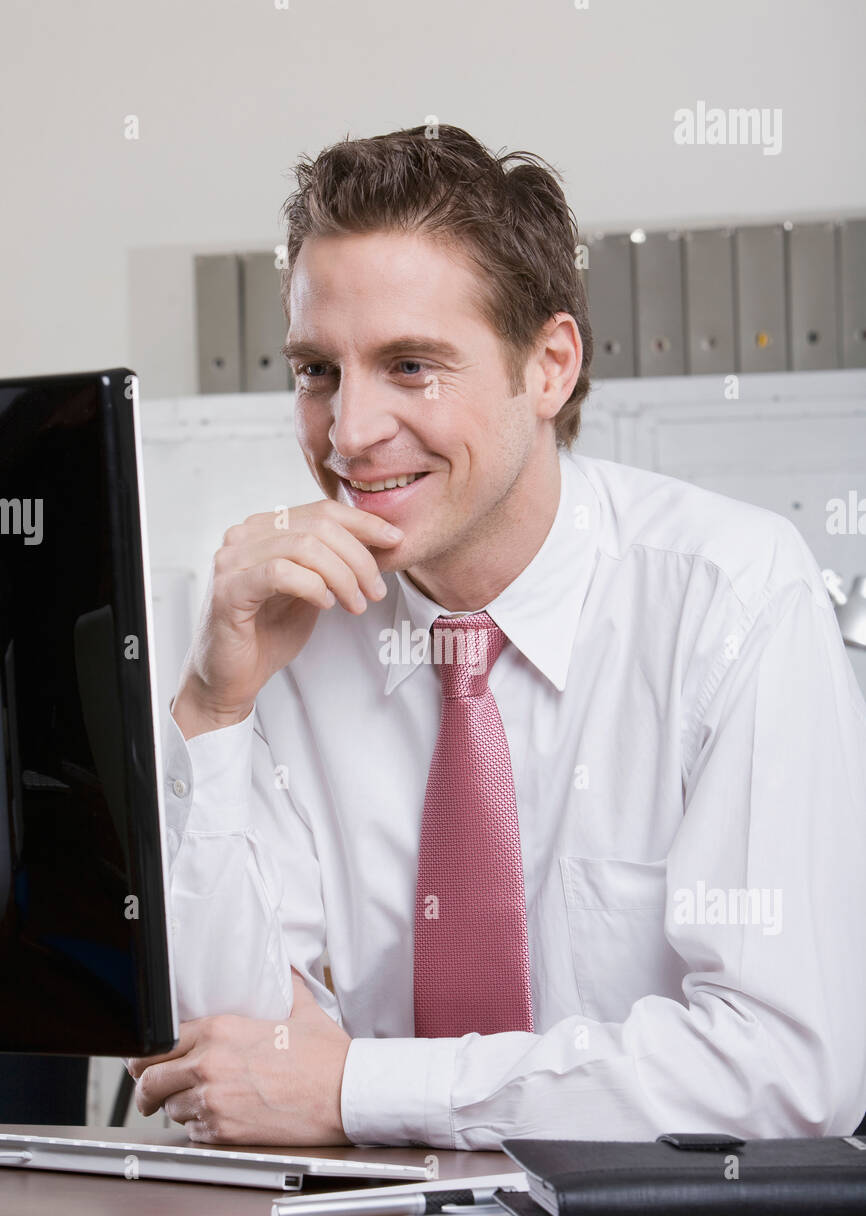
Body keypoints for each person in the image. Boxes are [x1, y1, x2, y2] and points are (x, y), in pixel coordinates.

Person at [128, 125, 866, 1149]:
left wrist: (359, 1088)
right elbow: (229, 1064)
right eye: (315, 371)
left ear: (548, 365)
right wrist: (212, 709)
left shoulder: (729, 597)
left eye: (410, 365)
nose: (347, 434)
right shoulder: (284, 623)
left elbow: (787, 1070)